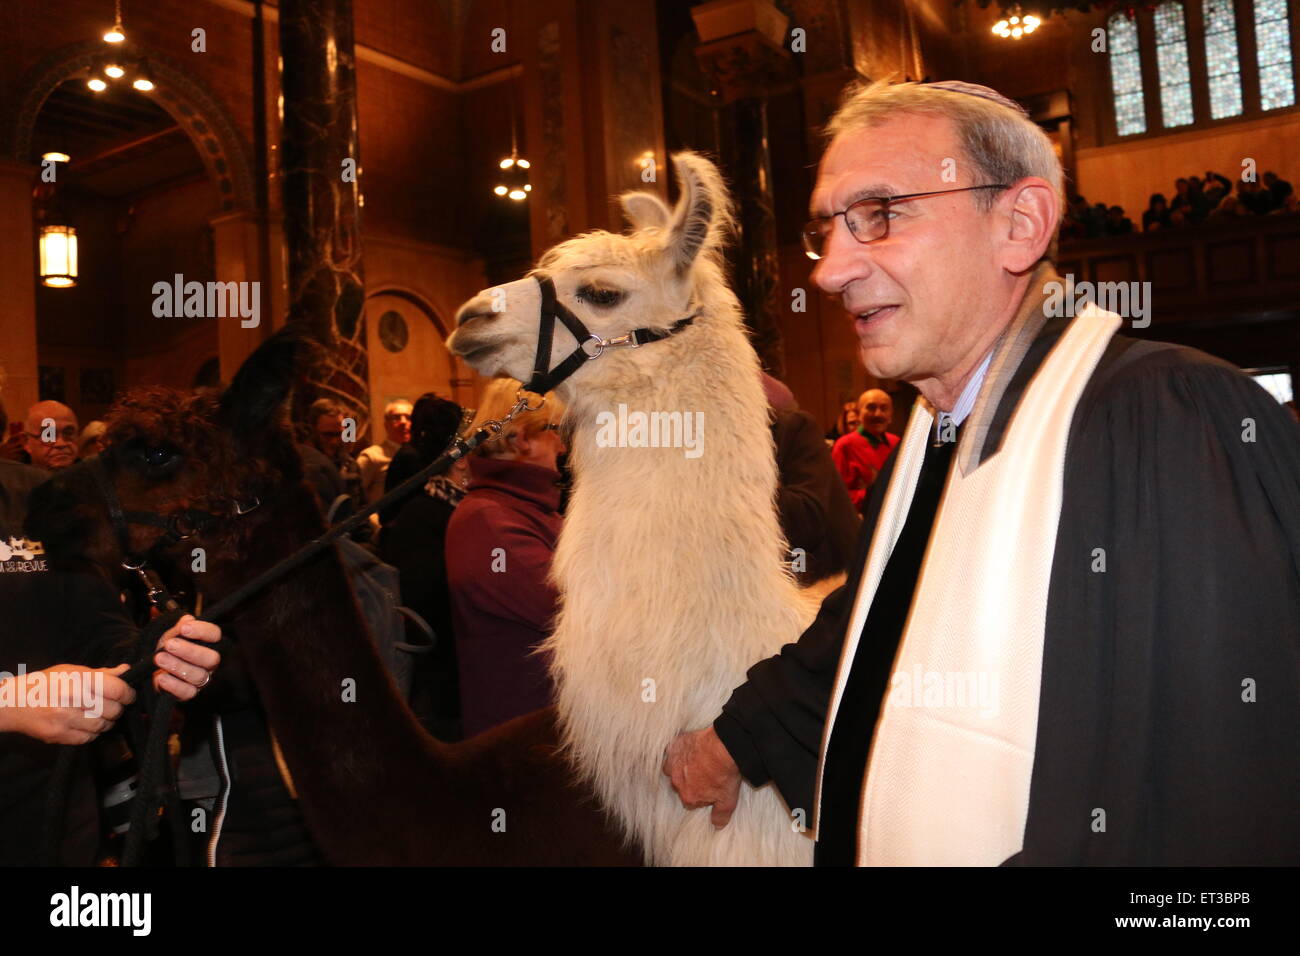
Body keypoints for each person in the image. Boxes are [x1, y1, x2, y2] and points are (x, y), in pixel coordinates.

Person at [662, 78, 1300, 866]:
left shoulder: (1166, 421)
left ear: (1020, 224)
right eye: (826, 229)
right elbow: (873, 633)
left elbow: (1215, 801)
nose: (829, 272)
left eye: (881, 215)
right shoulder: (928, 442)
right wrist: (737, 737)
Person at [445, 380, 565, 738]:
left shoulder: (525, 508)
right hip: (526, 741)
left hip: (553, 729)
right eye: (554, 430)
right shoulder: (488, 521)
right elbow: (572, 609)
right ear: (520, 438)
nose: (562, 444)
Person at [379, 394, 468, 739]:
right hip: (441, 677)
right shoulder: (425, 513)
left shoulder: (459, 506)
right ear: (460, 461)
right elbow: (425, 605)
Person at [831, 388, 900, 510]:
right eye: (871, 408)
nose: (878, 414)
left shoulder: (896, 443)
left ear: (890, 415)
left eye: (884, 408)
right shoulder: (845, 445)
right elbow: (837, 495)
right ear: (859, 413)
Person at [356, 398, 413, 506]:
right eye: (396, 417)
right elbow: (355, 498)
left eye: (408, 417)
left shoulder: (420, 455)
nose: (403, 422)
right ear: (386, 424)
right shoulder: (371, 456)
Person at [22, 400, 79, 471]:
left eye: (68, 433)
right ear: (26, 442)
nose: (61, 444)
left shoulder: (92, 478)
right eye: (48, 435)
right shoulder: (15, 480)